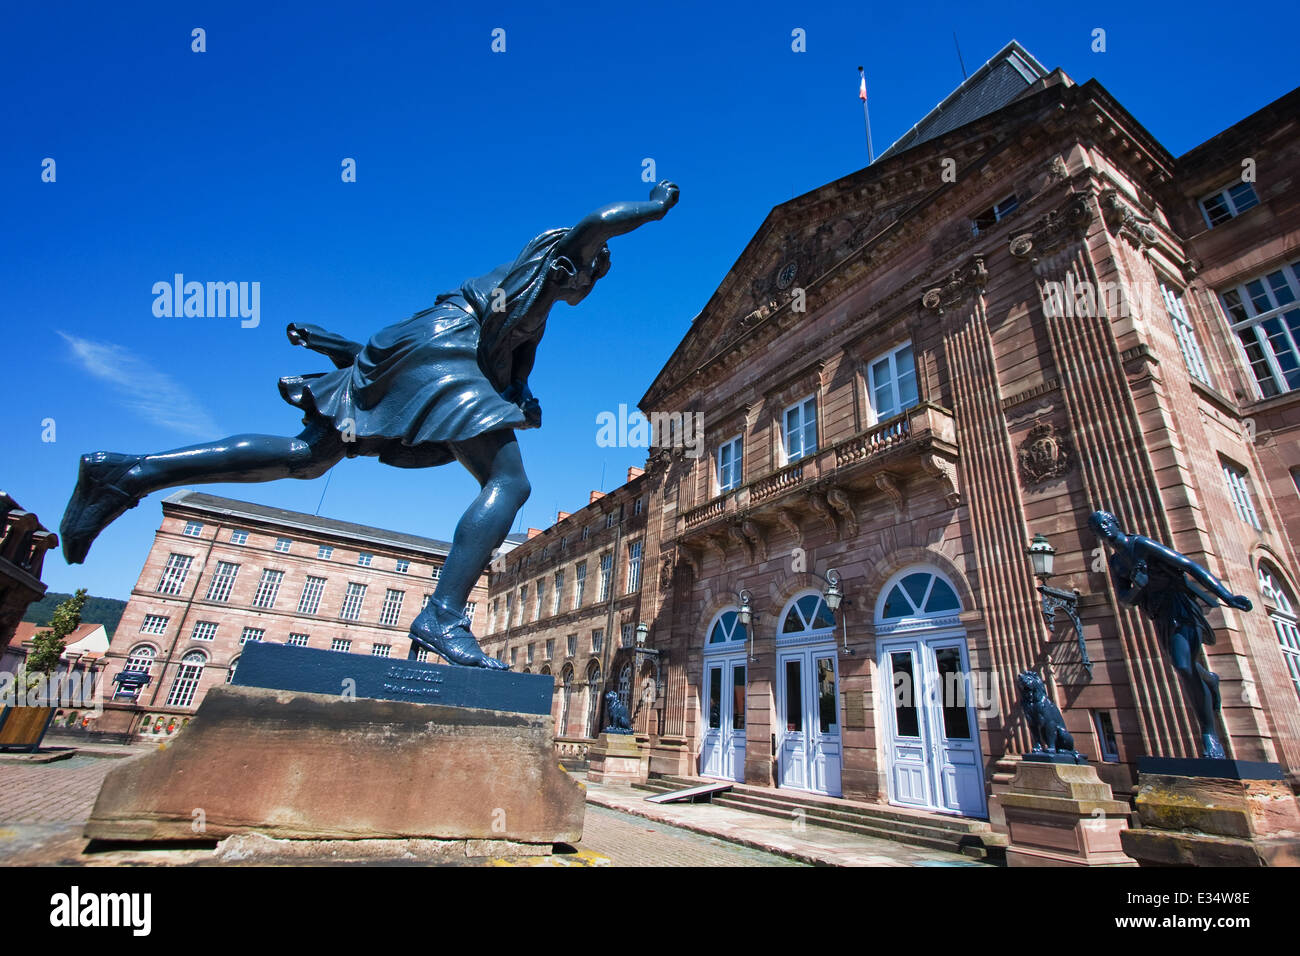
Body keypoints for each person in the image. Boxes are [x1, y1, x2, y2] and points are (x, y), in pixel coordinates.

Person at [60, 181, 681, 669]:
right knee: (509, 482)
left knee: (309, 457)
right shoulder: (546, 272)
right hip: (447, 354)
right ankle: (442, 615)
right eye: (594, 273)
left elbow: (458, 360)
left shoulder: (516, 303)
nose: (589, 285)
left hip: (425, 347)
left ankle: (130, 473)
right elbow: (598, 221)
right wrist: (656, 208)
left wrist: (347, 349)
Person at [1088, 510, 1252, 758]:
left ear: (1114, 522)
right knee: (1183, 665)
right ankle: (1207, 679)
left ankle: (1209, 734)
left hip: (1180, 607)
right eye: (1097, 528)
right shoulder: (1116, 563)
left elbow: (1188, 565)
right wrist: (1138, 587)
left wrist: (1226, 596)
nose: (1103, 529)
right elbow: (1124, 600)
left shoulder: (1140, 544)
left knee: (1182, 665)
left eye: (1104, 523)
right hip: (1159, 612)